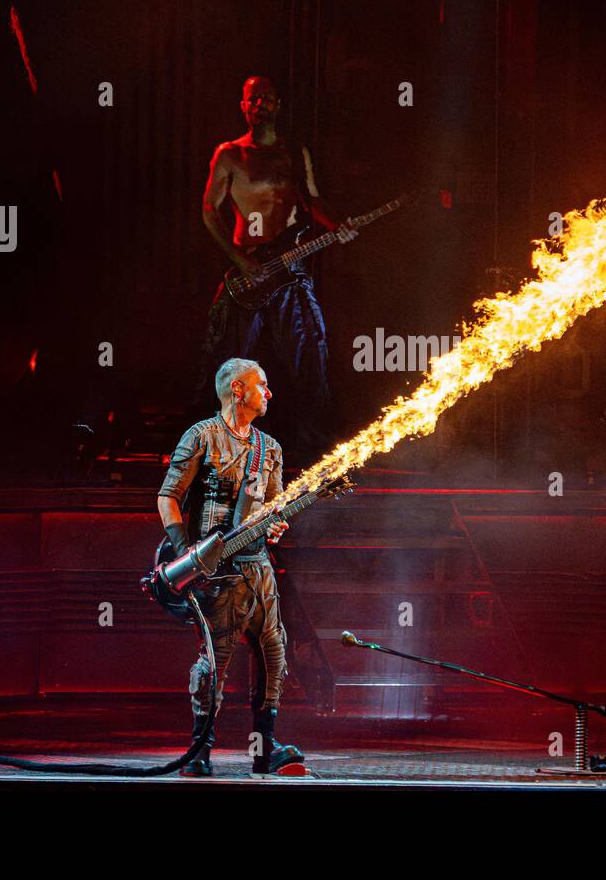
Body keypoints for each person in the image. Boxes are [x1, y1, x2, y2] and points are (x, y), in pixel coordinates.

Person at [156, 357, 302, 776]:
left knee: (274, 651)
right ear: (238, 389)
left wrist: (275, 526)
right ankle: (200, 748)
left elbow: (271, 508)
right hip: (217, 572)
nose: (269, 393)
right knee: (216, 659)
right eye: (263, 385)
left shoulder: (268, 448)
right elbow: (168, 497)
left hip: (258, 568)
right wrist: (188, 553)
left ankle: (265, 748)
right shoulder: (201, 436)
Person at [197, 75, 355, 459]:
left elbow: (313, 201)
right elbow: (208, 210)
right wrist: (241, 260)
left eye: (267, 98)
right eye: (253, 99)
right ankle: (220, 448)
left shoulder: (293, 153)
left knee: (310, 355)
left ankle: (314, 451)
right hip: (248, 273)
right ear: (243, 106)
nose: (260, 104)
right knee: (229, 361)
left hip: (289, 270)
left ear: (278, 105)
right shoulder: (229, 154)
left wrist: (339, 227)